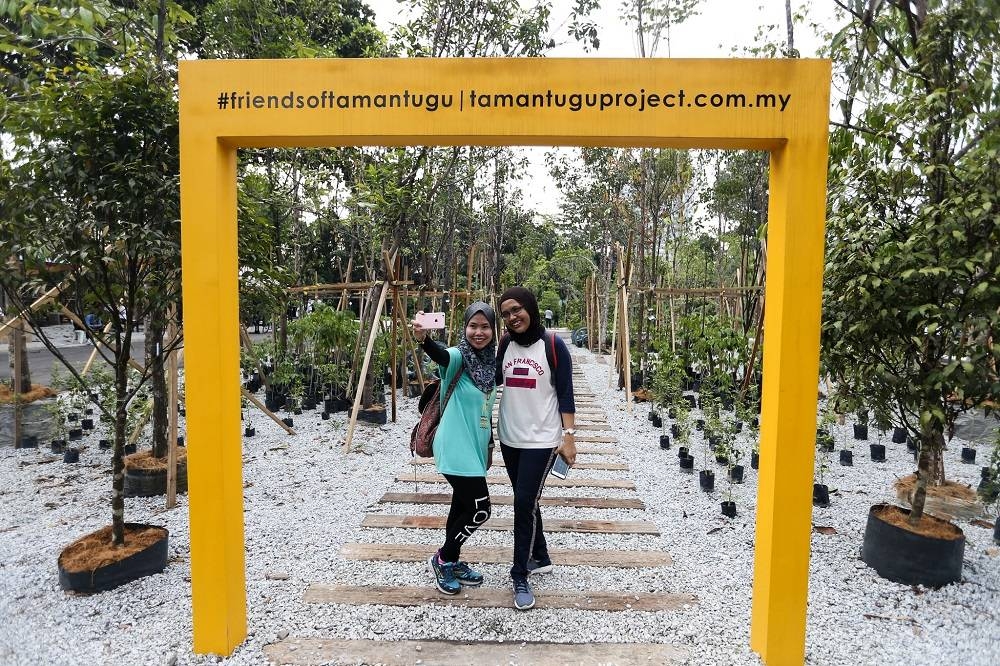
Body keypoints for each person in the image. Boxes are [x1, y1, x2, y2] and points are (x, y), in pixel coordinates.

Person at [495, 286, 576, 610]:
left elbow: (566, 393)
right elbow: (493, 380)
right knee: (527, 500)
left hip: (541, 440)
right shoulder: (505, 344)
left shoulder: (553, 346)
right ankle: (540, 556)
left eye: (516, 309)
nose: (512, 317)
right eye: (506, 314)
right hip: (509, 437)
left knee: (523, 503)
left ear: (530, 307)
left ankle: (519, 574)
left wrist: (569, 436)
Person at [411, 302, 498, 595]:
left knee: (462, 505)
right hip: (453, 446)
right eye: (473, 326)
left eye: (485, 326)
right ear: (465, 328)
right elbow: (440, 354)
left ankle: (453, 561)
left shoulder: (490, 363)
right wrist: (424, 339)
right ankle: (443, 558)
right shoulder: (458, 357)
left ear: (493, 330)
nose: (478, 332)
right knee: (481, 509)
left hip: (474, 448)